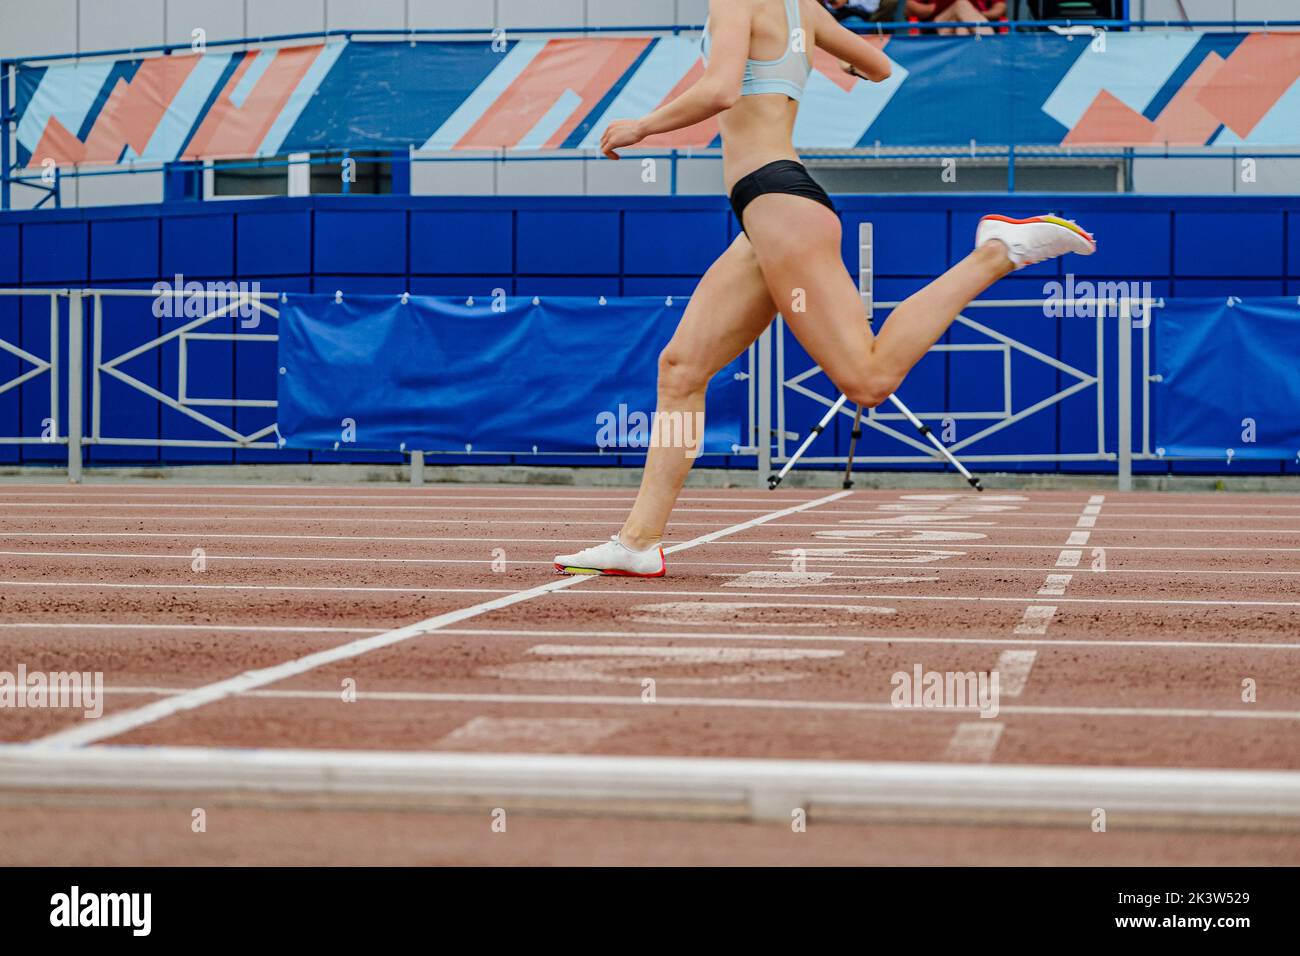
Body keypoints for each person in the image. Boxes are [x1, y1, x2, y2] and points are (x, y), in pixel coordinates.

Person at [554, 0, 1093, 577]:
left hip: (777, 204)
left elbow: (720, 91)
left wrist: (641, 125)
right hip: (770, 210)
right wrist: (831, 65)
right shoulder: (802, 7)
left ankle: (996, 253)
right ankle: (639, 541)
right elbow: (879, 67)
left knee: (868, 378)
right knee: (681, 369)